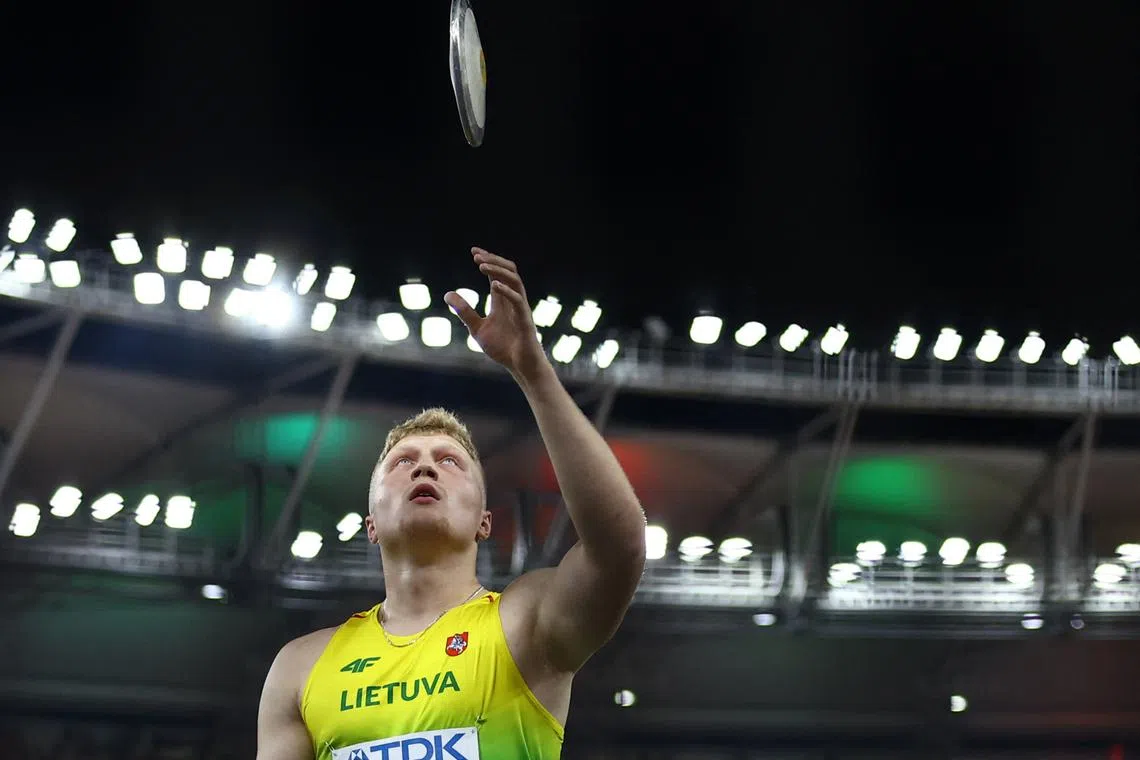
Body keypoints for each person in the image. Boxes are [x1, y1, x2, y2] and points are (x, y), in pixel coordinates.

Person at [256, 247, 647, 760]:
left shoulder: (524, 625)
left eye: (449, 461)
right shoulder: (301, 667)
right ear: (371, 524)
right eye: (402, 462)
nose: (424, 468)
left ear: (484, 522)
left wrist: (531, 369)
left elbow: (618, 546)